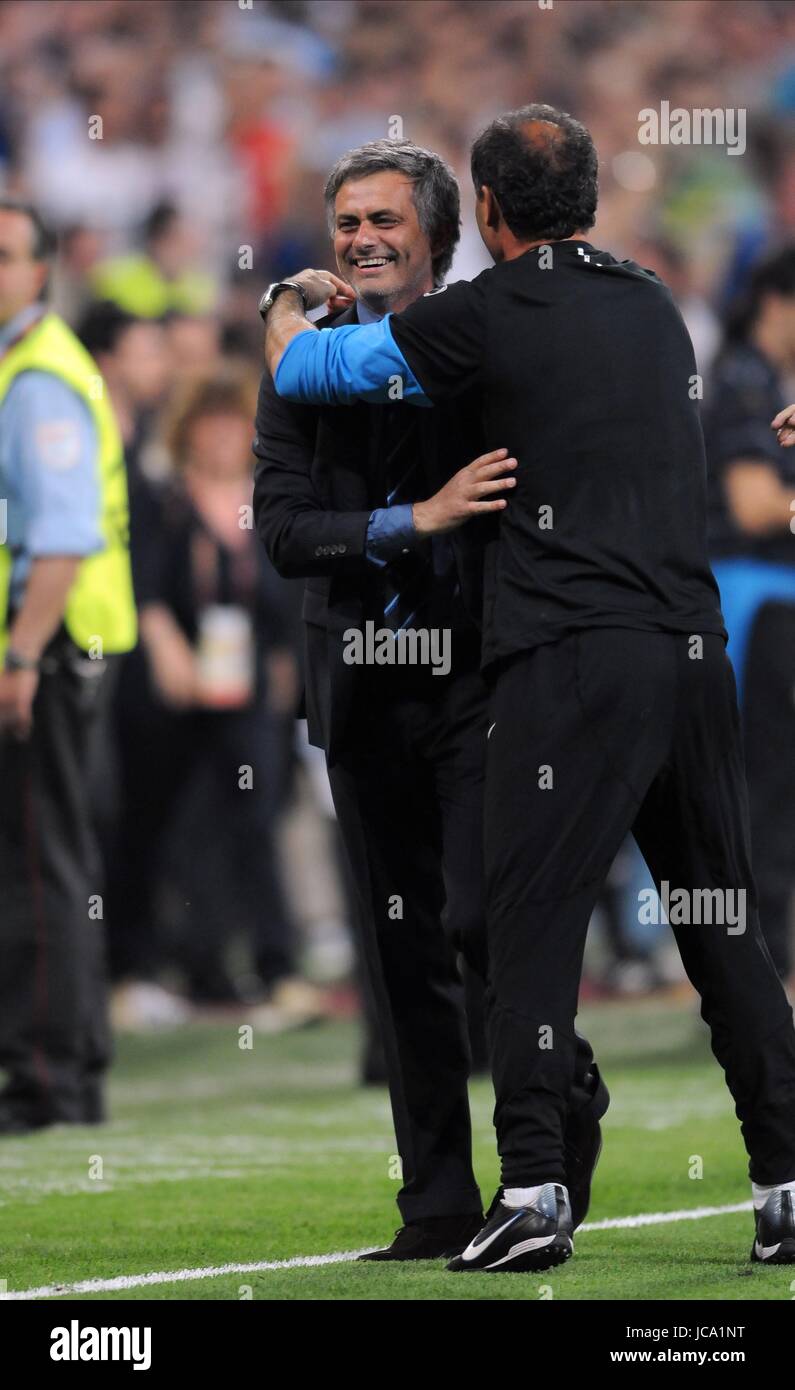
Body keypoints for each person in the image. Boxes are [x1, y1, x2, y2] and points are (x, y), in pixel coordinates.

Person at [264, 105, 795, 1272]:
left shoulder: (486, 313)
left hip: (571, 659)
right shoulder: (657, 304)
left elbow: (316, 366)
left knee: (526, 924)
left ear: (485, 215)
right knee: (721, 929)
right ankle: (786, 1182)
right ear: (593, 200)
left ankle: (539, 1188)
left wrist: (278, 320)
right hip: (694, 648)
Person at [254, 138, 608, 1260]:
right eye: (347, 221)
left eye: (385, 221)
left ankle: (561, 1099)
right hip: (361, 684)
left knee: (475, 922)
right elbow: (282, 533)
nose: (362, 239)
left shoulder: (485, 342)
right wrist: (418, 519)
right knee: (397, 954)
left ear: (442, 238)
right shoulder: (300, 364)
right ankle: (439, 1204)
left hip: (475, 679)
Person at [106, 367, 321, 1022]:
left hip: (246, 691)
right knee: (163, 829)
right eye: (212, 422)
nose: (224, 436)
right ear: (188, 431)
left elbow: (287, 601)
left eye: (234, 422)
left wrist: (286, 681)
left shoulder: (269, 498)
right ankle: (150, 968)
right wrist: (165, 648)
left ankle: (275, 965)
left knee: (255, 824)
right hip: (174, 696)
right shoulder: (162, 500)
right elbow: (142, 590)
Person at [0, 198, 137, 1133]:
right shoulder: (31, 366)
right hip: (60, 647)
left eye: (3, 254)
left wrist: (19, 651)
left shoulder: (39, 376)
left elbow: (60, 537)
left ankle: (51, 1078)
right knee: (47, 864)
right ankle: (62, 1066)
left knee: (39, 869)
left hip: (47, 649)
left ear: (41, 270)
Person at [703, 248, 795, 979]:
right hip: (760, 604)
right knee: (766, 789)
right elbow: (755, 503)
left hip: (766, 603)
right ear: (775, 301)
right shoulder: (741, 381)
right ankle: (768, 972)